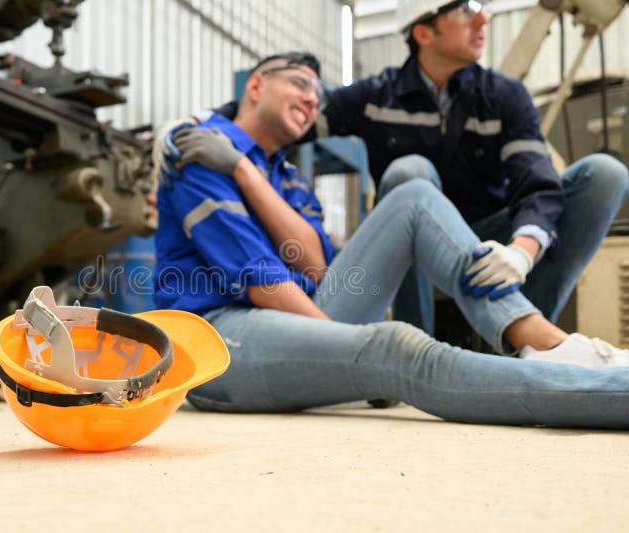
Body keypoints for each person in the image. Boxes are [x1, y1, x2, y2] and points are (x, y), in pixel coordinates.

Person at [153, 52, 629, 429]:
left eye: (317, 94)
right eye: (298, 83)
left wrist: (245, 172)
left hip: (298, 315)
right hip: (221, 343)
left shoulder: (284, 174)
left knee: (414, 195)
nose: (310, 99)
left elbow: (316, 266)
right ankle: (608, 394)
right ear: (255, 84)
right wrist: (353, 344)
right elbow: (261, 282)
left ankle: (540, 339)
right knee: (395, 348)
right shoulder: (200, 148)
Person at [162, 0, 629, 339]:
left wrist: (522, 251)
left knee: (606, 175)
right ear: (423, 31)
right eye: (466, 8)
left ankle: (525, 336)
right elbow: (276, 117)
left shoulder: (503, 96)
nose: (482, 17)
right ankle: (415, 338)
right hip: (414, 257)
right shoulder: (374, 98)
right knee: (409, 174)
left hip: (488, 243)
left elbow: (536, 181)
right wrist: (195, 129)